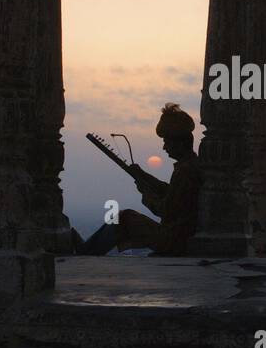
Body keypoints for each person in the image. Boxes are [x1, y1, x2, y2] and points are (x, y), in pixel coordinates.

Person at [74, 103, 202, 256]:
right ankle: (87, 248)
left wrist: (146, 195)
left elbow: (166, 211)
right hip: (180, 238)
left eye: (166, 142)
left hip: (175, 241)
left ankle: (87, 251)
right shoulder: (191, 166)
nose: (164, 147)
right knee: (125, 218)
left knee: (125, 218)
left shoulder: (185, 171)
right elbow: (169, 191)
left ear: (180, 143)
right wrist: (142, 175)